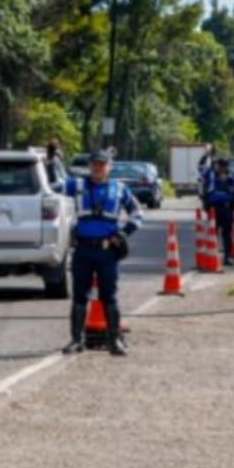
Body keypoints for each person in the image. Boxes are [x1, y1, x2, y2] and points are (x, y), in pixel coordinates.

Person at [61, 152, 145, 357]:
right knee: (80, 296)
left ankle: (114, 340)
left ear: (109, 167)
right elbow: (50, 186)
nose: (98, 168)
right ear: (89, 166)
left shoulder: (120, 189)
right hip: (83, 250)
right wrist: (50, 161)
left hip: (107, 252)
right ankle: (76, 340)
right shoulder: (77, 185)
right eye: (94, 164)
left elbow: (138, 213)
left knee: (109, 296)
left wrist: (124, 233)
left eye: (102, 165)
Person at [204, 158, 234, 266]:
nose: (221, 169)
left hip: (226, 208)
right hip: (214, 208)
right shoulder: (211, 175)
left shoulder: (231, 177)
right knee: (213, 233)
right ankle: (212, 257)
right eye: (220, 166)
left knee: (226, 234)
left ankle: (227, 258)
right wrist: (207, 155)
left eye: (224, 166)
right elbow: (201, 168)